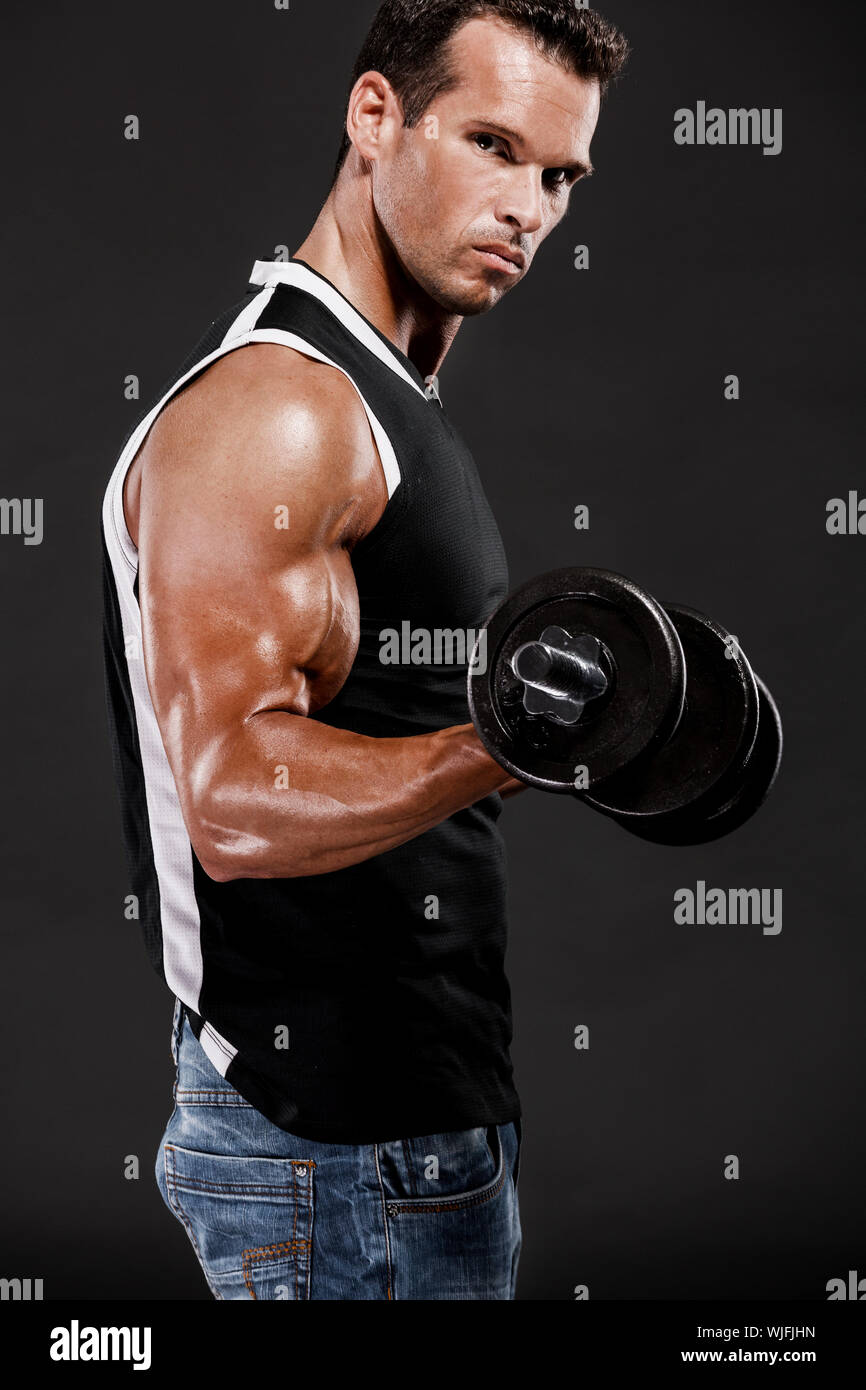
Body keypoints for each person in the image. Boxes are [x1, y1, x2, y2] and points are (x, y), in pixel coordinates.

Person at [101, 0, 629, 1300]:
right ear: (375, 115)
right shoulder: (280, 407)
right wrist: (493, 744)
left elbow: (396, 739)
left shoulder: (391, 400)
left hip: (435, 1111)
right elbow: (233, 796)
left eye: (559, 174)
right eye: (492, 144)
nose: (529, 205)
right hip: (313, 1146)